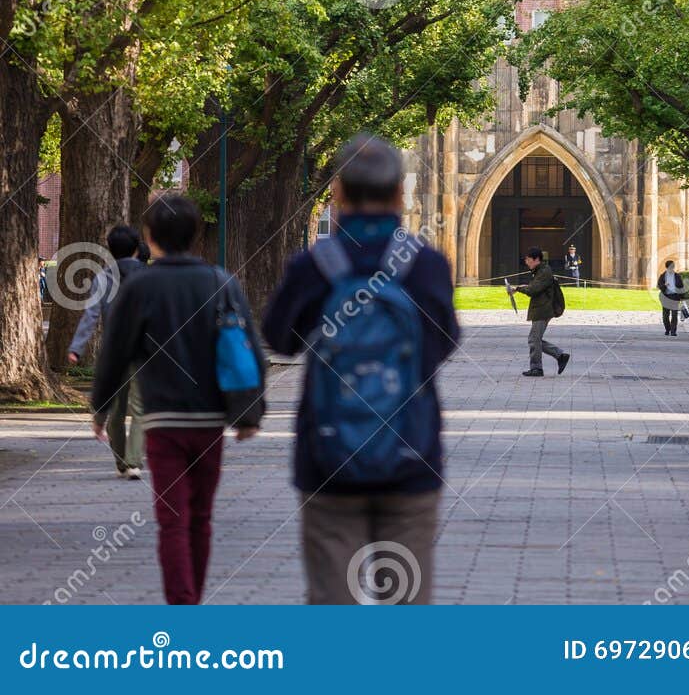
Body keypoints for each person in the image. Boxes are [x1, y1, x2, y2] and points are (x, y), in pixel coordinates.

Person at [263, 134, 459, 606]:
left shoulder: (316, 264)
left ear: (338, 193)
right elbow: (445, 342)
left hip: (329, 457)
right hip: (410, 456)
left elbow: (279, 339)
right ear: (399, 194)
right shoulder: (425, 266)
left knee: (334, 602)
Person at [91, 193, 265, 605]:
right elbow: (249, 349)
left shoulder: (140, 286)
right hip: (209, 422)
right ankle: (193, 599)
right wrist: (250, 412)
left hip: (163, 420)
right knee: (201, 519)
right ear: (196, 235)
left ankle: (182, 605)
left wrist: (100, 405)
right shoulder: (222, 282)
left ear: (149, 238)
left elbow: (116, 350)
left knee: (172, 521)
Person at [68, 224, 146, 479]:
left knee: (115, 407)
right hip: (145, 349)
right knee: (140, 407)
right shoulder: (149, 277)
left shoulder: (102, 278)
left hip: (114, 349)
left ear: (110, 249)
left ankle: (121, 460)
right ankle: (135, 461)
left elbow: (90, 316)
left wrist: (76, 348)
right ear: (136, 248)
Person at [506, 247, 570, 378]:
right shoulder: (539, 271)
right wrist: (518, 289)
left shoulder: (544, 271)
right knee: (535, 339)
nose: (527, 262)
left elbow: (533, 289)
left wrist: (518, 288)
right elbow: (534, 286)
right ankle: (560, 356)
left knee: (534, 339)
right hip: (541, 309)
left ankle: (537, 368)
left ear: (536, 259)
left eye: (528, 260)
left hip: (543, 310)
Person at [657, 259, 685, 335]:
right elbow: (659, 286)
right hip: (665, 297)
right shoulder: (662, 276)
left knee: (674, 315)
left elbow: (681, 287)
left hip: (675, 297)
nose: (671, 269)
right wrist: (664, 285)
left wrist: (682, 298)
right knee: (665, 316)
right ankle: (667, 329)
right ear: (666, 268)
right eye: (669, 268)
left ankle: (673, 331)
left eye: (672, 267)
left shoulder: (677, 276)